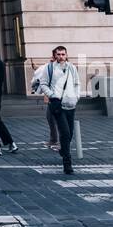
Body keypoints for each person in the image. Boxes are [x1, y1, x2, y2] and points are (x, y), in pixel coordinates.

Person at [32, 45, 79, 173]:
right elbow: (43, 84)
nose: (61, 57)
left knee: (70, 134)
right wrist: (53, 96)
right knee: (65, 133)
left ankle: (63, 150)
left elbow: (76, 83)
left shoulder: (72, 68)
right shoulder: (49, 68)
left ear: (66, 55)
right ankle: (67, 164)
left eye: (63, 54)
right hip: (57, 104)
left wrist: (76, 97)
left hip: (71, 104)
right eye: (58, 54)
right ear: (54, 56)